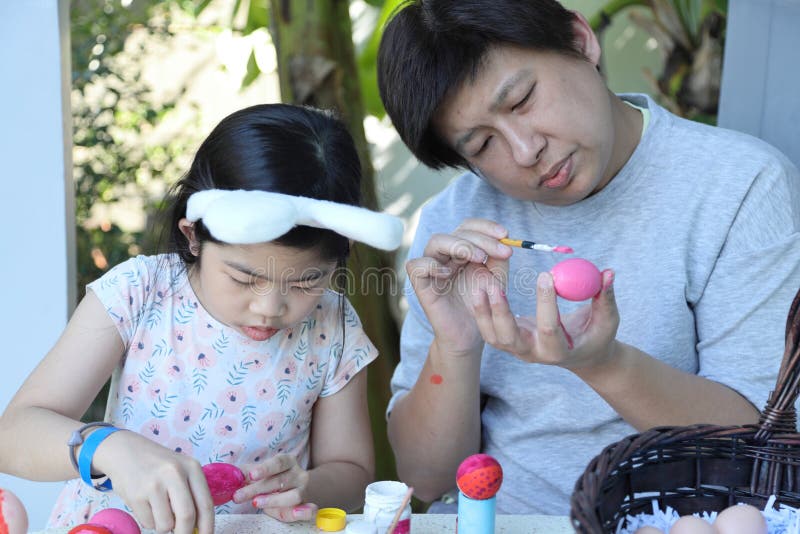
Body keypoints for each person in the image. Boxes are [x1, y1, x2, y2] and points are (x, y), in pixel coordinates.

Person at [377, 0, 800, 515]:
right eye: (483, 144)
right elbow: (425, 479)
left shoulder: (739, 186)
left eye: (522, 100)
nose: (525, 150)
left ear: (581, 41)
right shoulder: (455, 229)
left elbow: (753, 450)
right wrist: (456, 345)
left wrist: (603, 363)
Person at [0, 104, 403, 533]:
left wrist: (308, 487)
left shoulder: (333, 325)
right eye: (244, 278)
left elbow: (351, 470)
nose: (270, 307)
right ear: (193, 236)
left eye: (307, 281)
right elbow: (14, 434)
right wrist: (109, 448)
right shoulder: (139, 292)